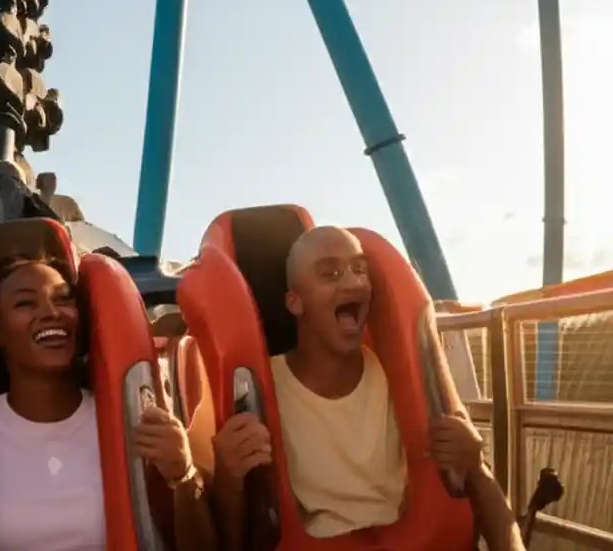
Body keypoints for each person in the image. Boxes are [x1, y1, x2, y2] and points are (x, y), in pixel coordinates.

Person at [210, 226, 522, 550]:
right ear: (295, 302)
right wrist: (228, 481)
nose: (354, 282)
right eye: (330, 273)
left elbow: (482, 479)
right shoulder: (262, 390)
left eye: (360, 269)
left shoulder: (402, 378)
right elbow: (234, 537)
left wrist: (472, 458)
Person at [0, 254, 217, 550]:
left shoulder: (129, 416)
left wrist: (183, 474)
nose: (51, 313)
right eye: (26, 303)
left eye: (64, 300)